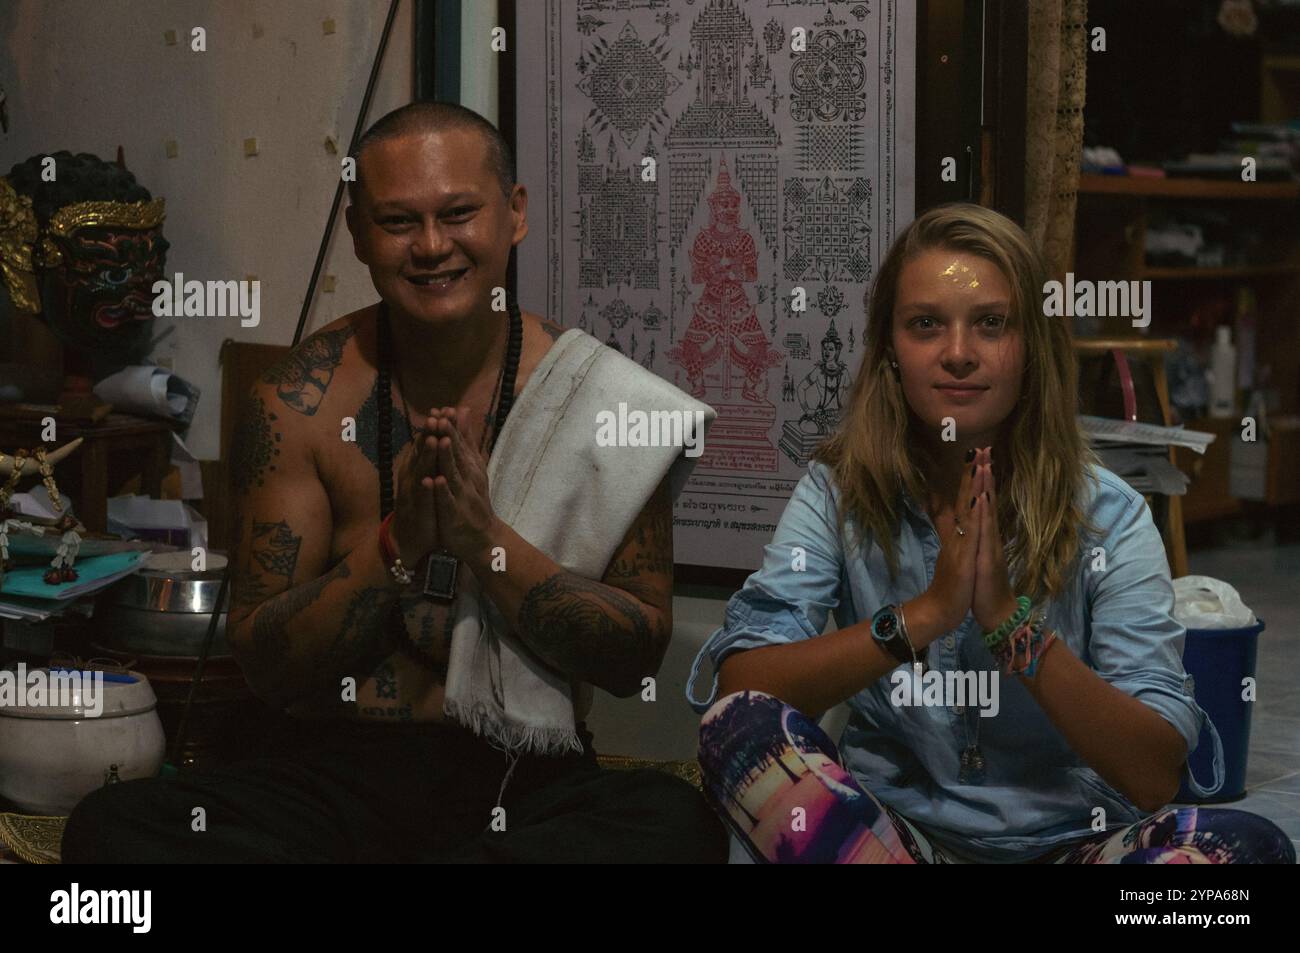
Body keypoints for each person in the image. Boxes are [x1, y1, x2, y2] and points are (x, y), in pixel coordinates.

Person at [62, 102, 726, 864]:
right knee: (113, 833)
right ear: (358, 233)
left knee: (676, 826)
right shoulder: (296, 404)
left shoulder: (604, 400)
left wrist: (485, 541)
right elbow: (266, 663)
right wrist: (397, 545)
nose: (433, 246)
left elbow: (632, 657)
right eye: (399, 221)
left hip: (522, 780)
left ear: (514, 215)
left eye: (459, 213)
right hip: (327, 776)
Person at [687, 203, 1294, 864]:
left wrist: (1010, 624)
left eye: (991, 324)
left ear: (1030, 344)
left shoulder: (1110, 514)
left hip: (1072, 842)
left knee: (1247, 853)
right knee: (737, 732)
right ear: (890, 347)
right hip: (890, 841)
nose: (957, 354)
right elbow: (740, 687)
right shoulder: (839, 492)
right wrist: (921, 616)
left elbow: (1151, 772)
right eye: (925, 325)